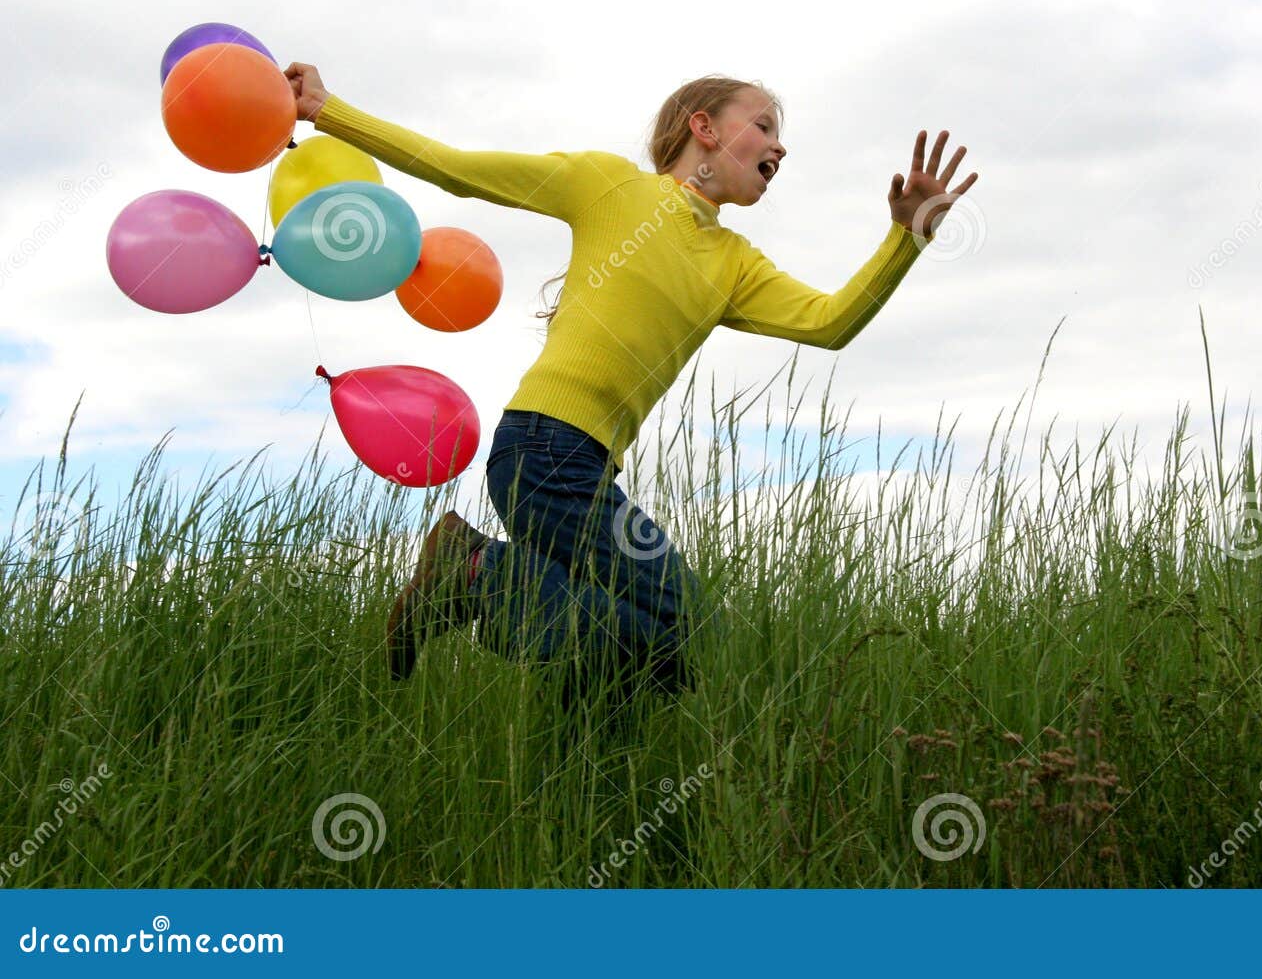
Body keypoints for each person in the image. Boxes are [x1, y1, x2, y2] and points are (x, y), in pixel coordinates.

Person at [282, 62, 978, 707]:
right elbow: (455, 167)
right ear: (704, 128)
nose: (780, 146)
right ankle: (475, 575)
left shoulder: (734, 262)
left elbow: (831, 323)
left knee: (650, 647)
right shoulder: (609, 186)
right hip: (543, 450)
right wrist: (326, 110)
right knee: (690, 629)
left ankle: (582, 755)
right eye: (764, 125)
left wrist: (908, 234)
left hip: (584, 466)